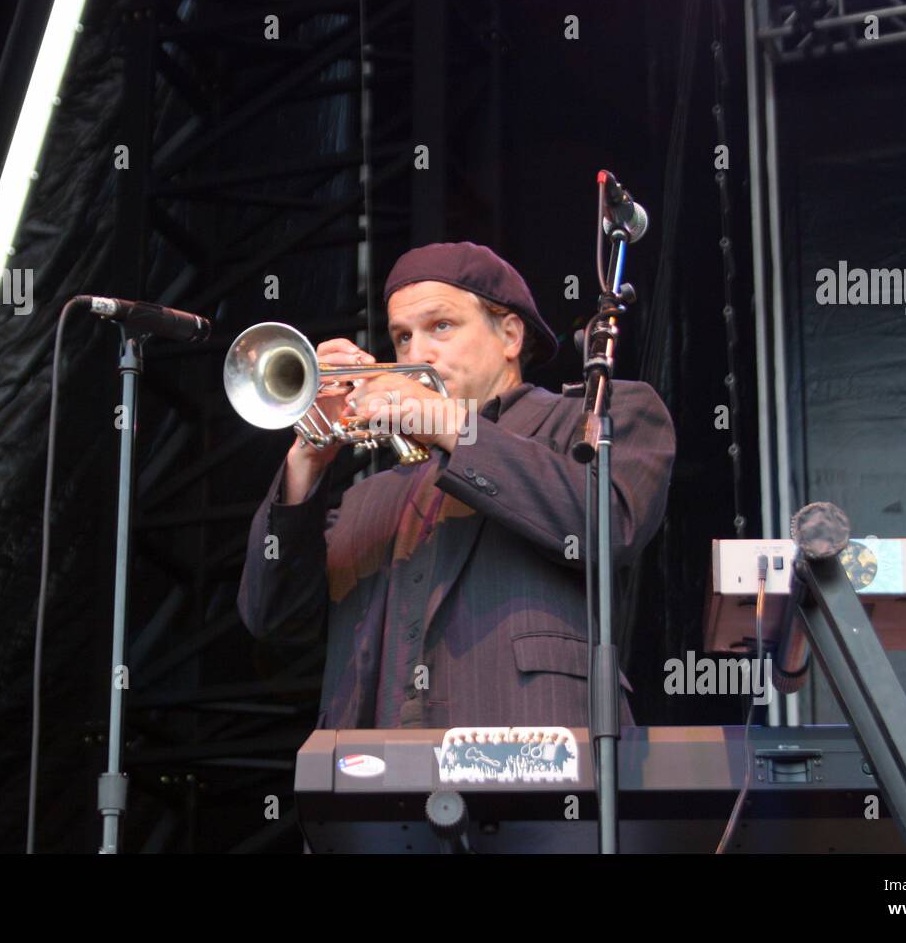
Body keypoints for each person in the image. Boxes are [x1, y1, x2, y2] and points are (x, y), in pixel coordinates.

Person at [237, 241, 675, 729]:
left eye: (440, 326)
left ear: (510, 335)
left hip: (539, 755)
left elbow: (609, 525)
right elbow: (272, 617)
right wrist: (309, 456)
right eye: (402, 337)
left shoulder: (590, 422)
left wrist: (449, 425)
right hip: (373, 788)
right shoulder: (369, 497)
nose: (417, 352)